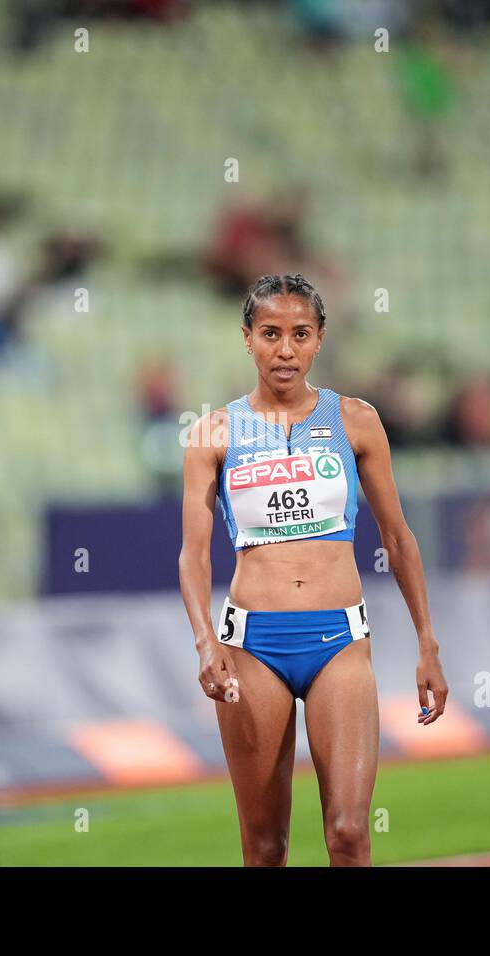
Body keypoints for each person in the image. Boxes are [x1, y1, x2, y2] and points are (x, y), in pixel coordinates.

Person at [178, 273, 448, 867]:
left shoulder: (356, 421)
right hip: (252, 645)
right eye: (270, 333)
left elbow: (398, 539)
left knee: (349, 833)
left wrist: (428, 642)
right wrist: (204, 642)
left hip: (339, 643)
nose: (285, 349)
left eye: (300, 334)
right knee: (266, 846)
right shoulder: (212, 434)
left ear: (320, 339)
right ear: (246, 338)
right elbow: (193, 554)